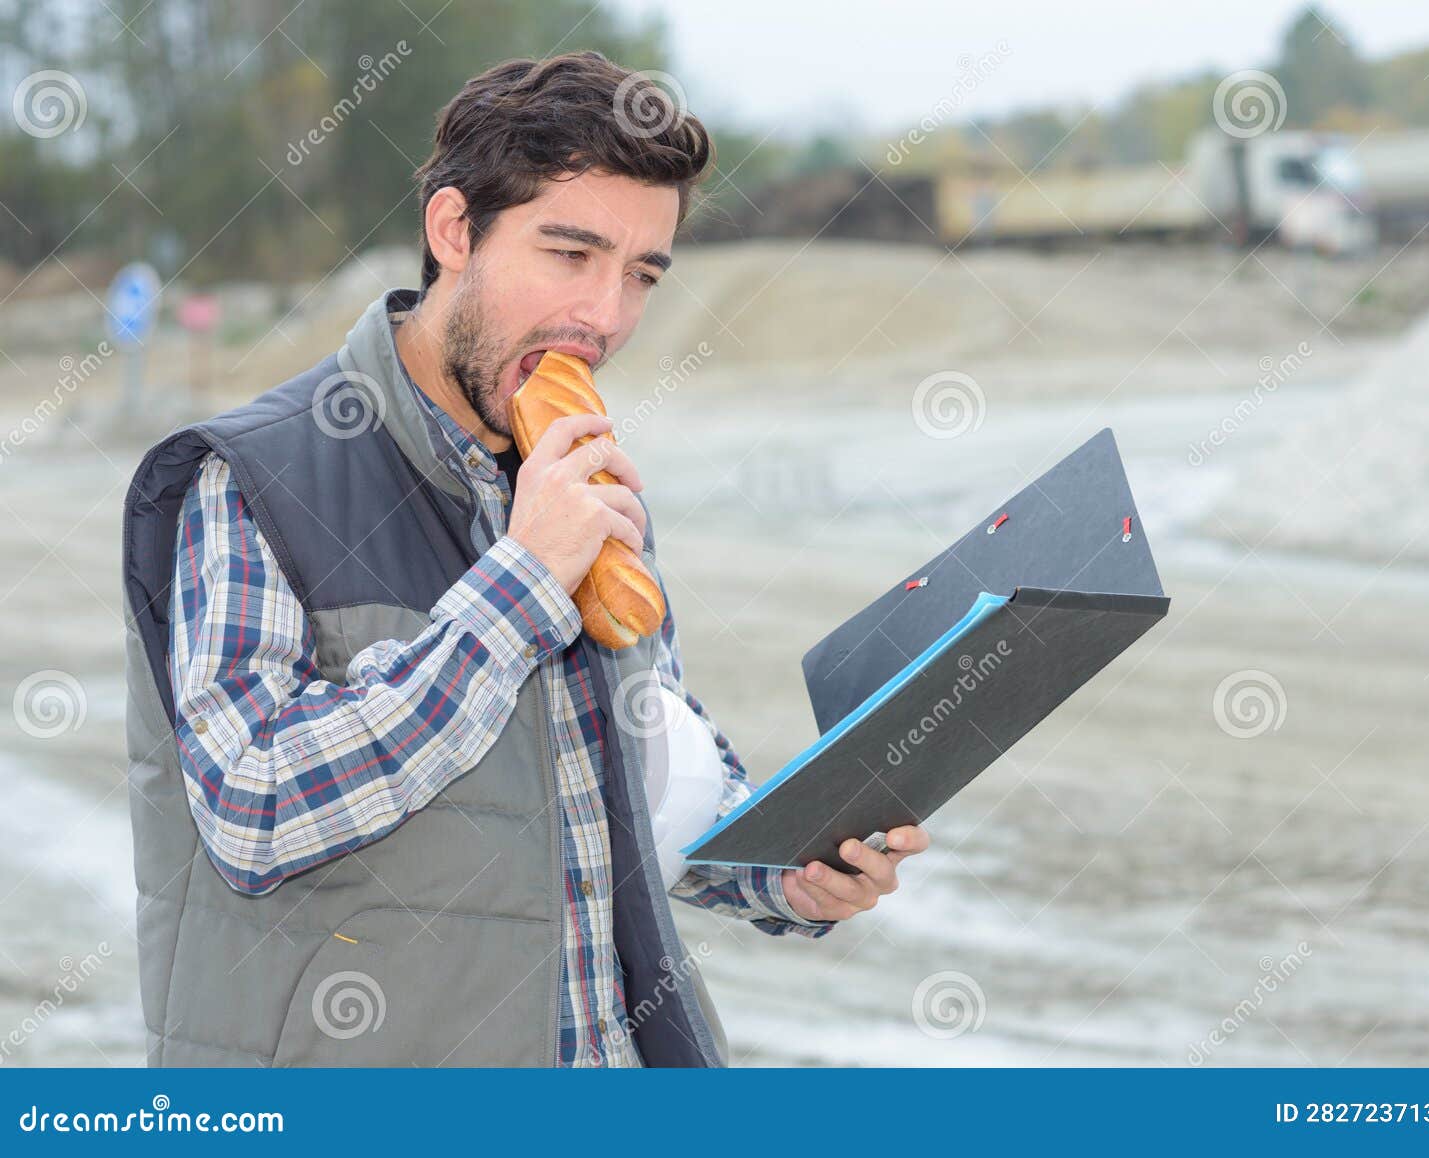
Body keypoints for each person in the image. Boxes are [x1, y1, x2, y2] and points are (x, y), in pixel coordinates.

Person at [121, 51, 928, 1069]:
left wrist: (782, 868)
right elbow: (253, 808)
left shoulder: (579, 471)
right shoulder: (255, 474)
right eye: (569, 253)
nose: (605, 317)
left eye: (640, 273)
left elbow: (637, 778)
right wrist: (520, 587)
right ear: (455, 231)